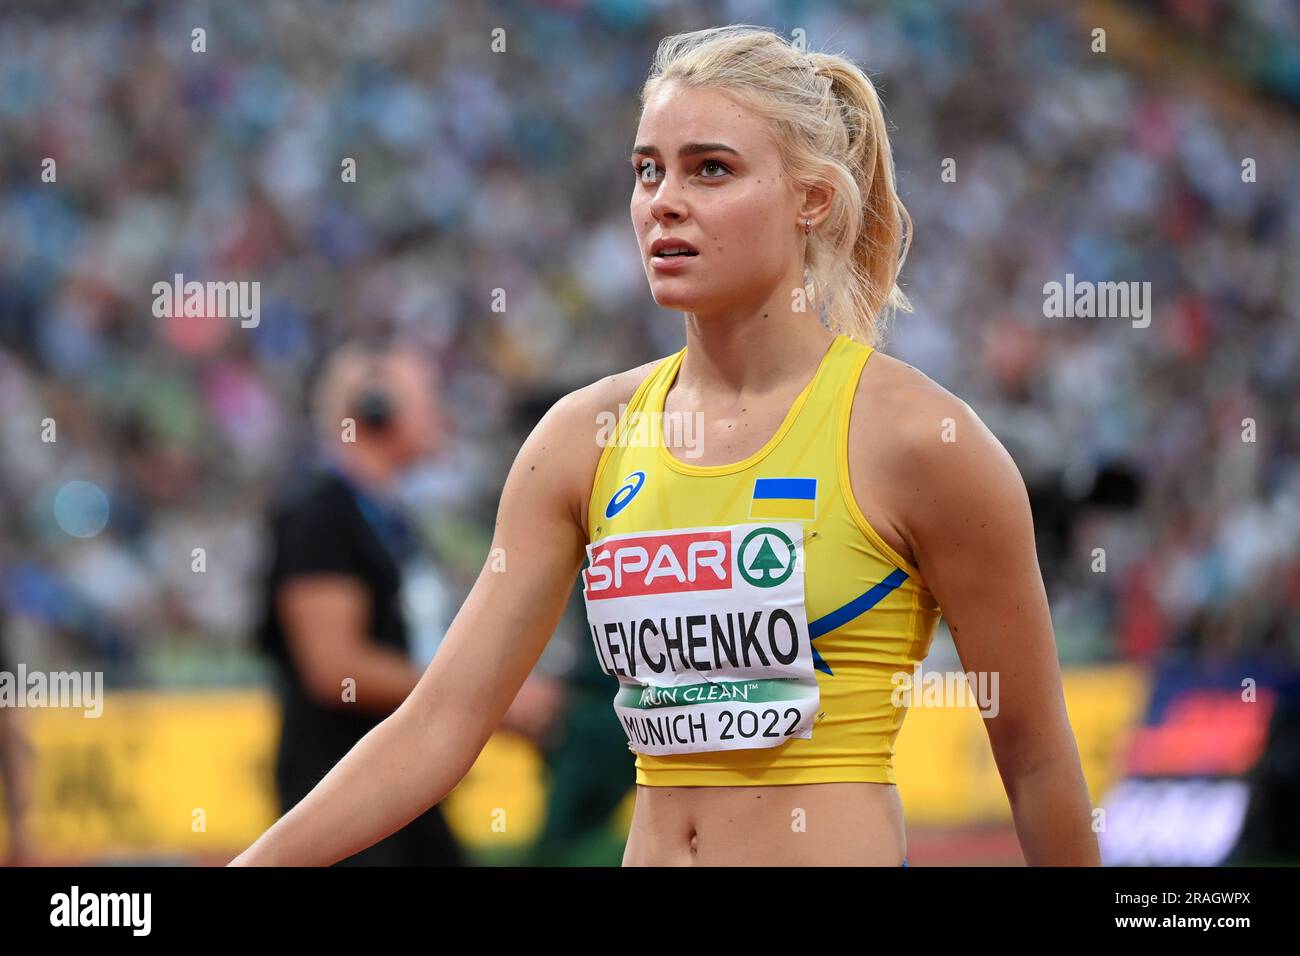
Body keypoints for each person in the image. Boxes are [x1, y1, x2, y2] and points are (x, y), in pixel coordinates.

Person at [233, 25, 1099, 867]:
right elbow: (440, 724)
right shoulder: (581, 439)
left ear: (812, 200)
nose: (664, 202)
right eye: (647, 171)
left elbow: (1034, 758)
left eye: (710, 169)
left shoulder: (921, 441)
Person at [254, 340, 467, 866]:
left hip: (396, 781)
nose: (440, 414)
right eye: (428, 399)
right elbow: (335, 668)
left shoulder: (388, 517)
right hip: (338, 787)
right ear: (377, 412)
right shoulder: (322, 517)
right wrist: (471, 695)